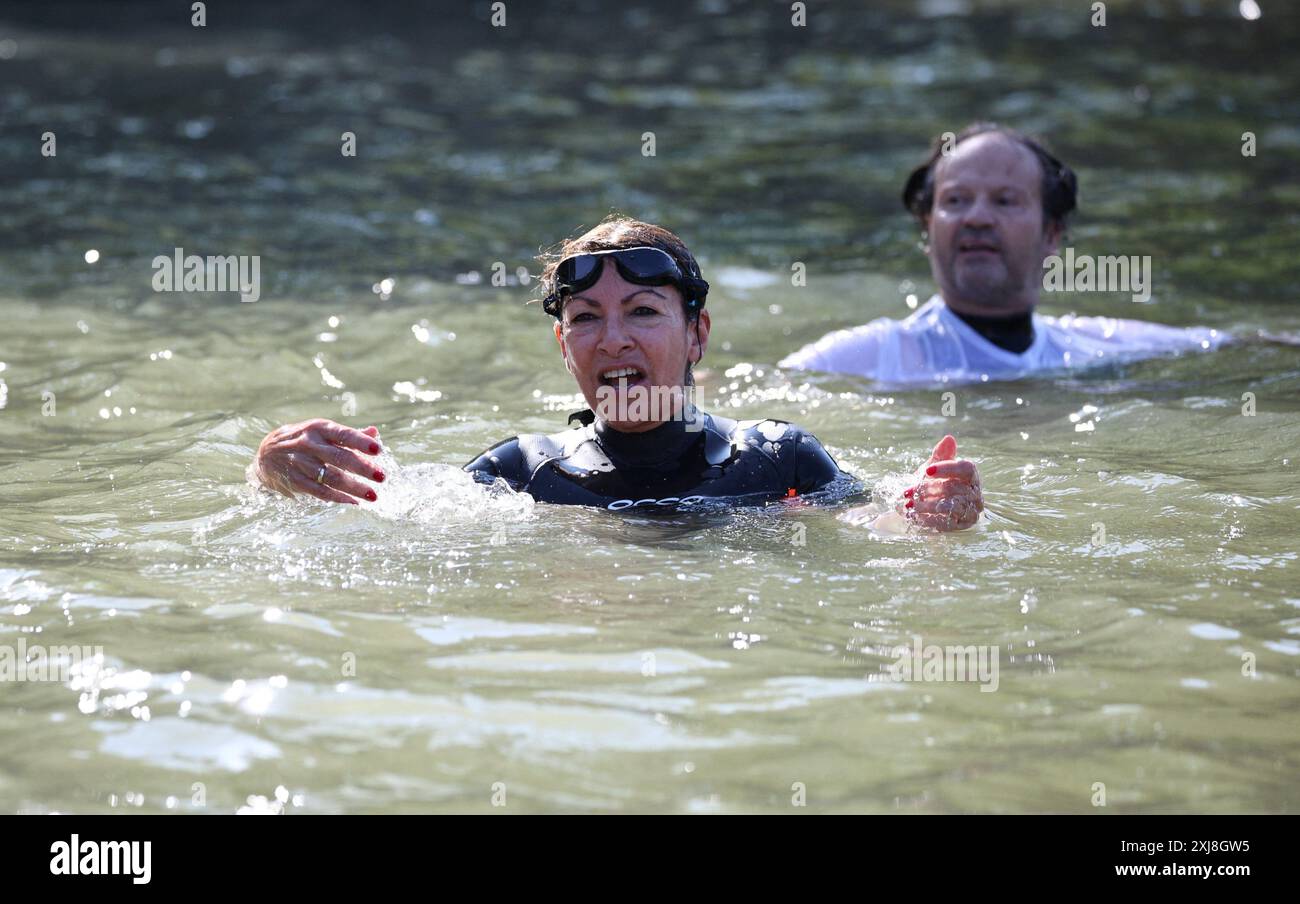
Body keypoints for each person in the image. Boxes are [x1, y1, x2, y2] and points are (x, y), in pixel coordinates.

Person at [249, 217, 984, 530]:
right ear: (564, 348)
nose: (613, 339)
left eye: (641, 311)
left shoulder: (777, 460)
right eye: (587, 320)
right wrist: (278, 474)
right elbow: (387, 526)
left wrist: (933, 518)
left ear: (697, 334)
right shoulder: (520, 474)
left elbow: (874, 529)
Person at [780, 122, 1227, 386]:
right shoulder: (865, 359)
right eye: (955, 201)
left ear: (1052, 234)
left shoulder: (1095, 348)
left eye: (1005, 201)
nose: (976, 218)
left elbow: (1227, 345)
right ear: (927, 228)